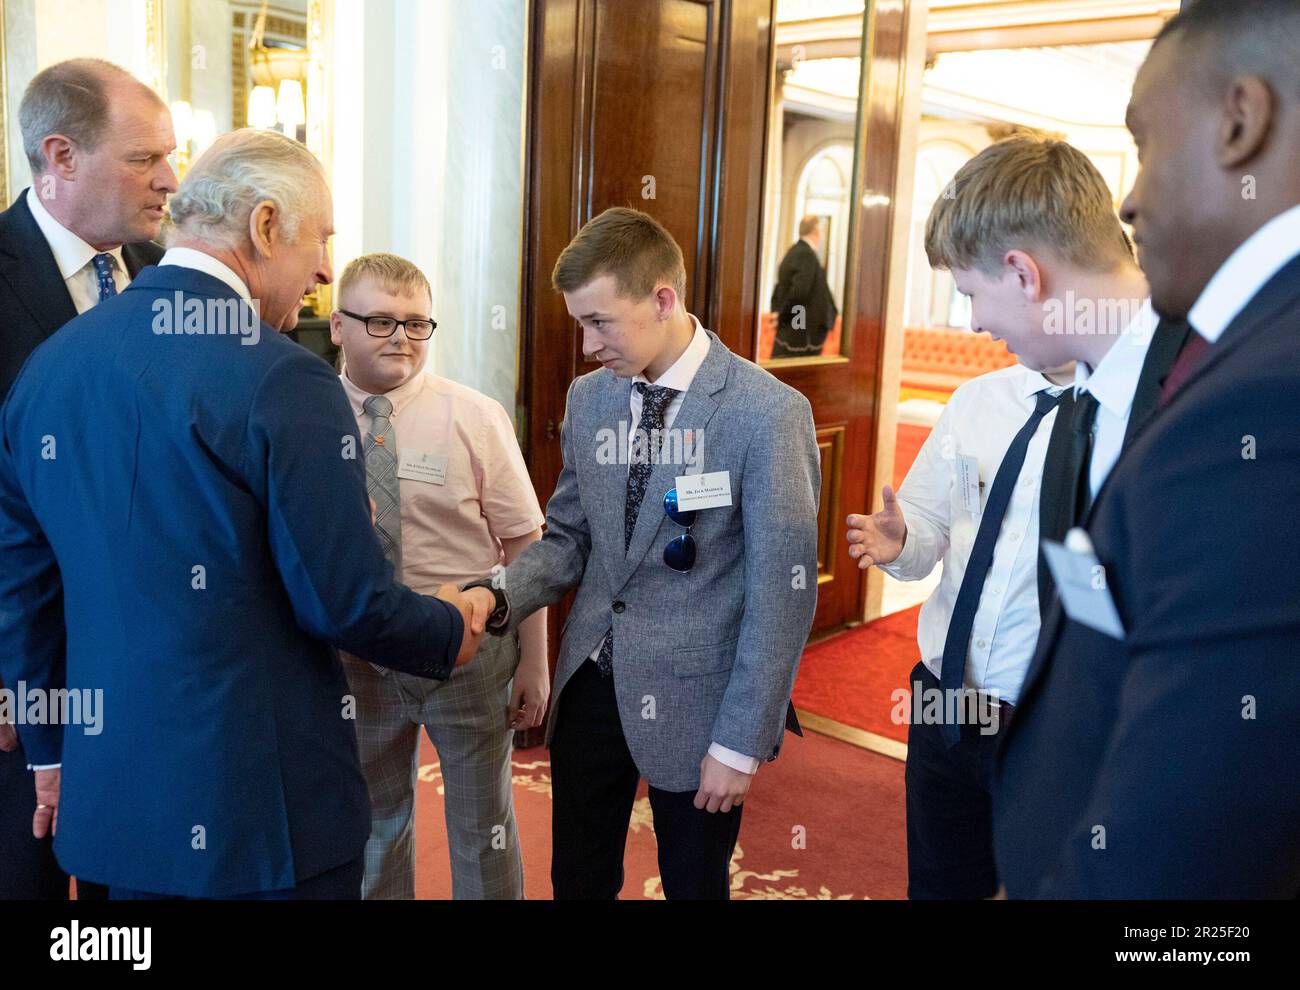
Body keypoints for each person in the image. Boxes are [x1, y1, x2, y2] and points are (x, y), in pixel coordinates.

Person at [0, 129, 490, 900]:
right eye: (320, 238)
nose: (327, 266)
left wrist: (49, 755)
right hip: (259, 821)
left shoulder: (49, 366)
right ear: (265, 226)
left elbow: (22, 591)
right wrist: (458, 624)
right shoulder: (285, 378)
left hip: (108, 812)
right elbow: (347, 601)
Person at [994, 0, 1300, 898]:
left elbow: (1185, 841)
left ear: (1240, 120)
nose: (1129, 198)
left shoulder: (1269, 395)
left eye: (1144, 142)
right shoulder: (1245, 345)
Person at [845, 136, 1186, 899]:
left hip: (1083, 736)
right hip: (946, 693)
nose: (970, 324)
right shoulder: (1032, 400)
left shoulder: (1179, 397)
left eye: (970, 293)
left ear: (1024, 273)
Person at [461, 207, 819, 899]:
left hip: (700, 699)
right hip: (592, 682)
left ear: (662, 299)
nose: (589, 345)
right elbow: (567, 539)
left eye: (601, 322)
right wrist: (494, 594)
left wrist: (741, 742)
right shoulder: (591, 399)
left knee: (693, 883)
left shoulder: (765, 413)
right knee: (580, 879)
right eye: (579, 325)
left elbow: (784, 593)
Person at [0, 58, 177, 901]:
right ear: (61, 156)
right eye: (146, 158)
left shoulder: (165, 271)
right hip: (16, 675)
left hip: (143, 663)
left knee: (128, 895)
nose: (169, 180)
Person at [330, 253, 548, 899]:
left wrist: (534, 664)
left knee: (484, 825)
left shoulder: (473, 415)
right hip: (357, 656)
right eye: (379, 321)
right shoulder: (307, 415)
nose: (400, 336)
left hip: (468, 649)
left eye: (417, 323)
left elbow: (525, 543)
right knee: (374, 820)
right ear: (338, 326)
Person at [770, 215, 838, 358]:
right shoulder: (805, 254)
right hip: (802, 333)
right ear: (817, 231)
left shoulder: (794, 251)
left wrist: (780, 313)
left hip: (795, 328)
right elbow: (799, 293)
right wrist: (782, 315)